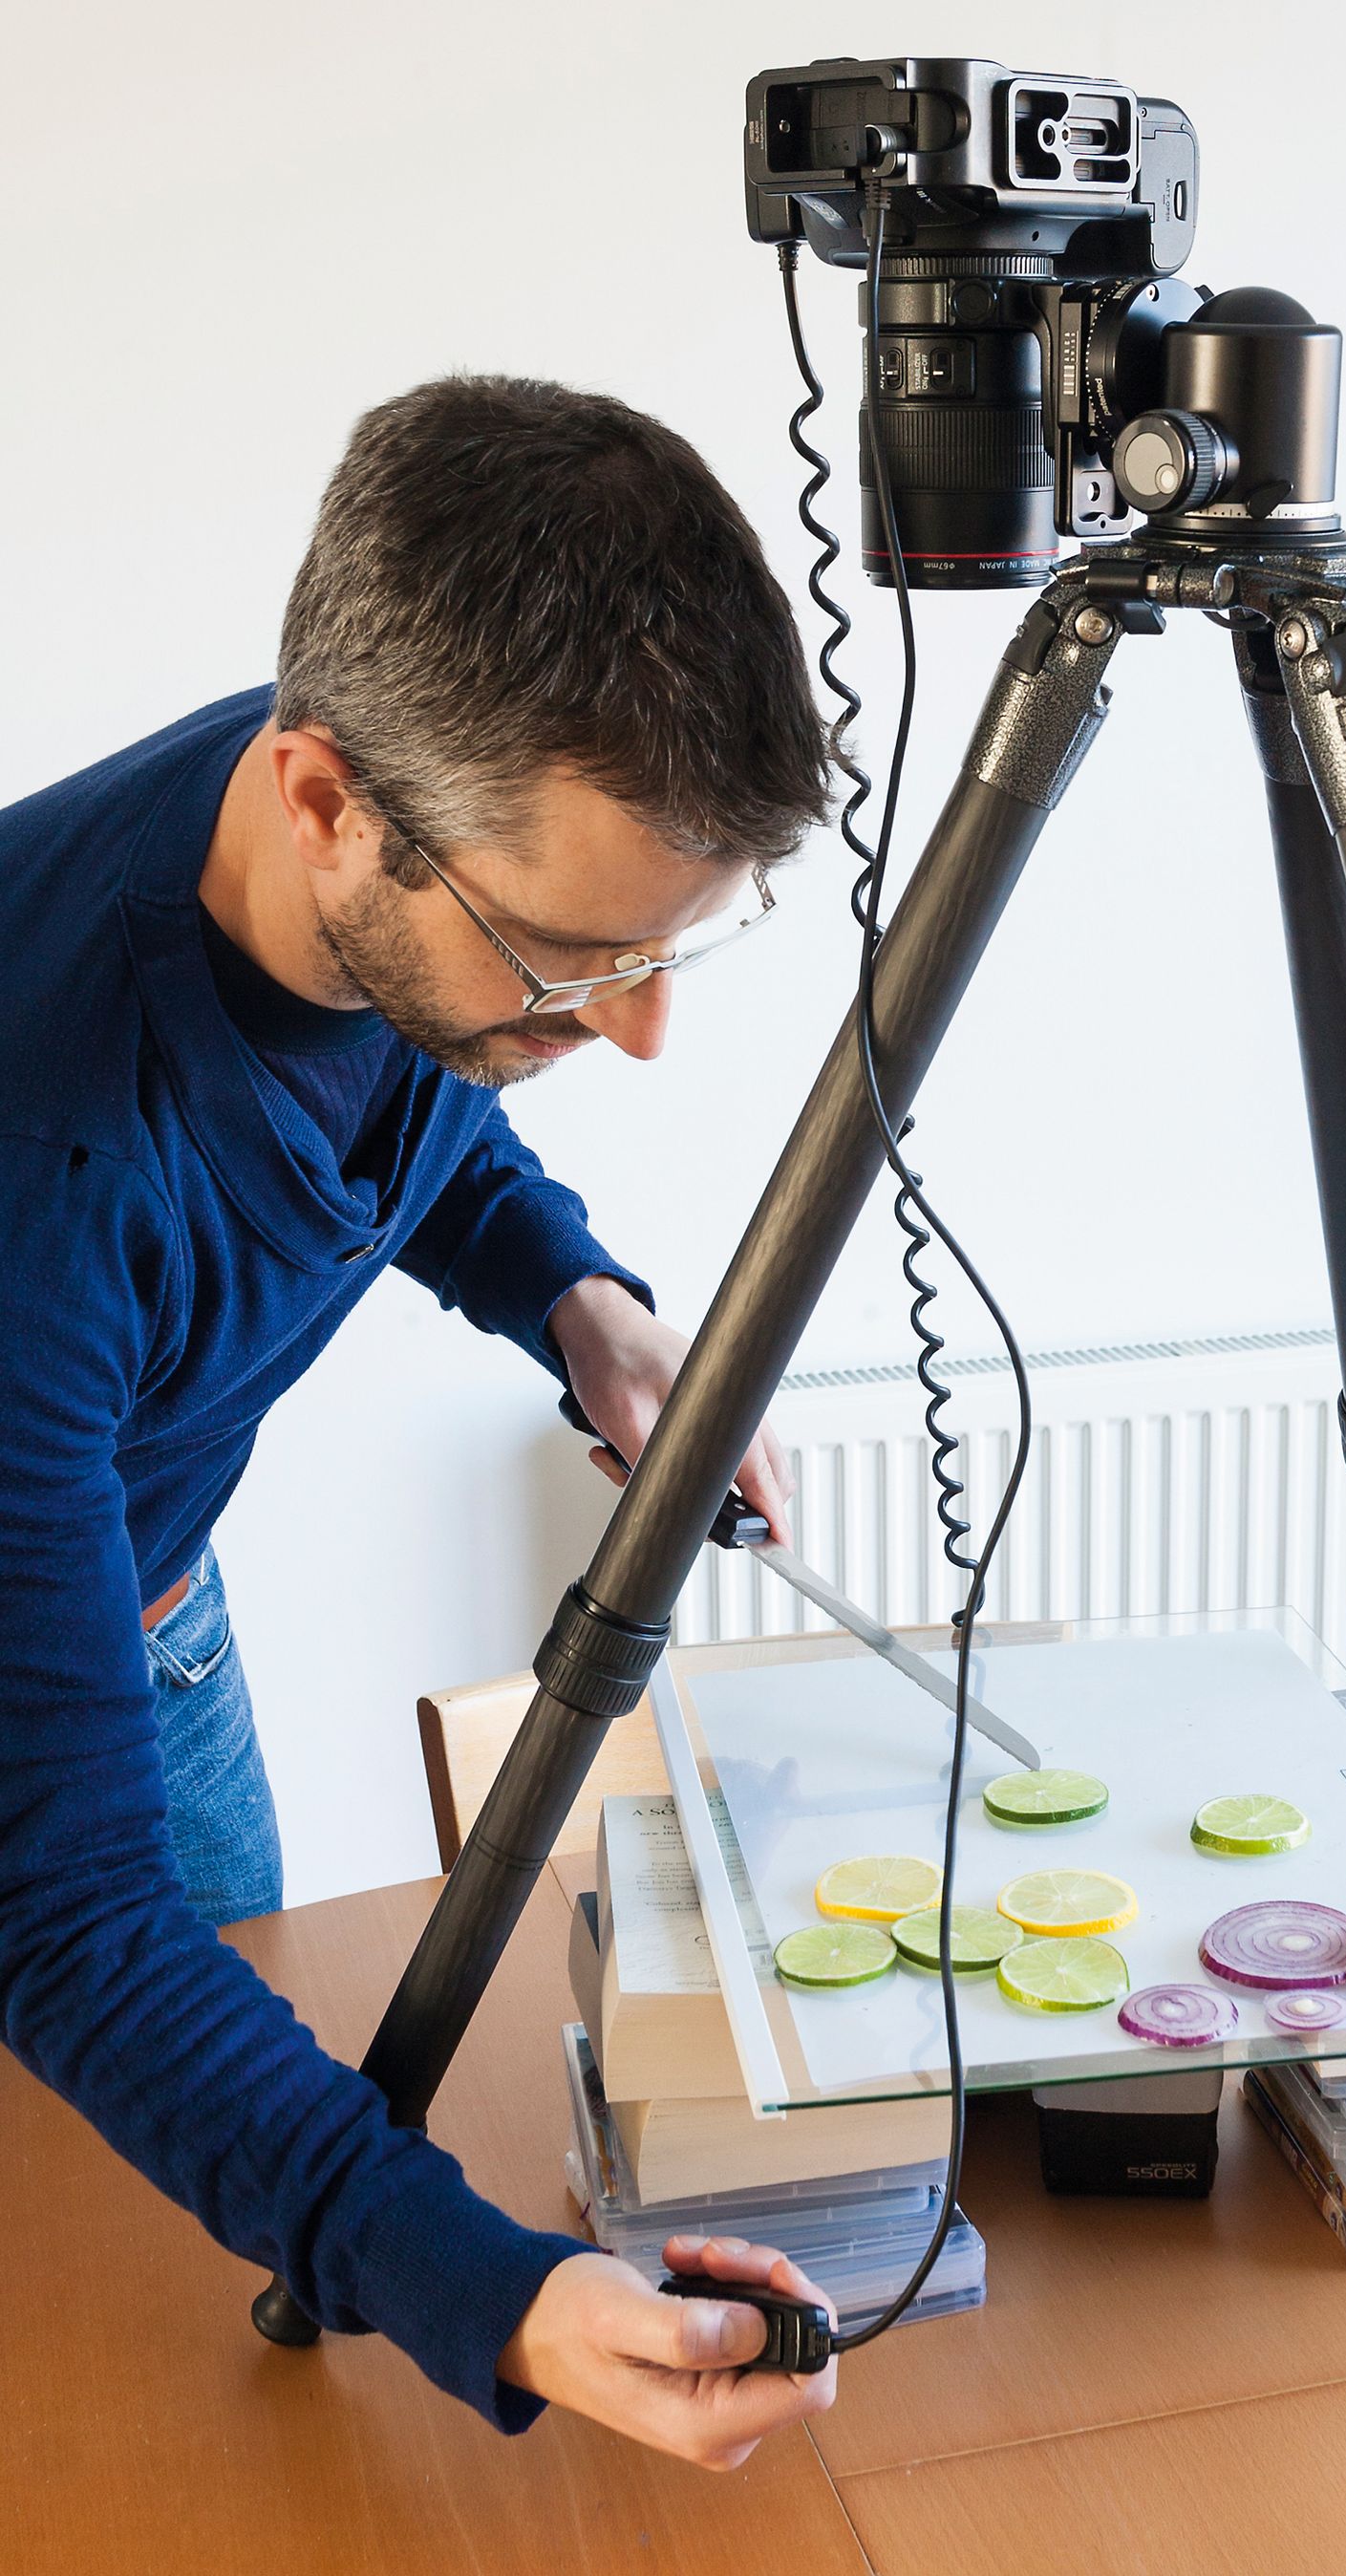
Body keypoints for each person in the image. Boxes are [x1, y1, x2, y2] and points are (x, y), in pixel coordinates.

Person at [0, 375, 844, 2468]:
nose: (634, 1030)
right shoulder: (40, 1160)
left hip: (155, 1616)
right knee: (72, 2347)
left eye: (665, 949)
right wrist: (510, 2300)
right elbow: (67, 1919)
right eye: (576, 958)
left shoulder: (362, 812)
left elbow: (408, 1092)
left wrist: (579, 1307)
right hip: (40, 1748)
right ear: (321, 803)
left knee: (227, 2275)